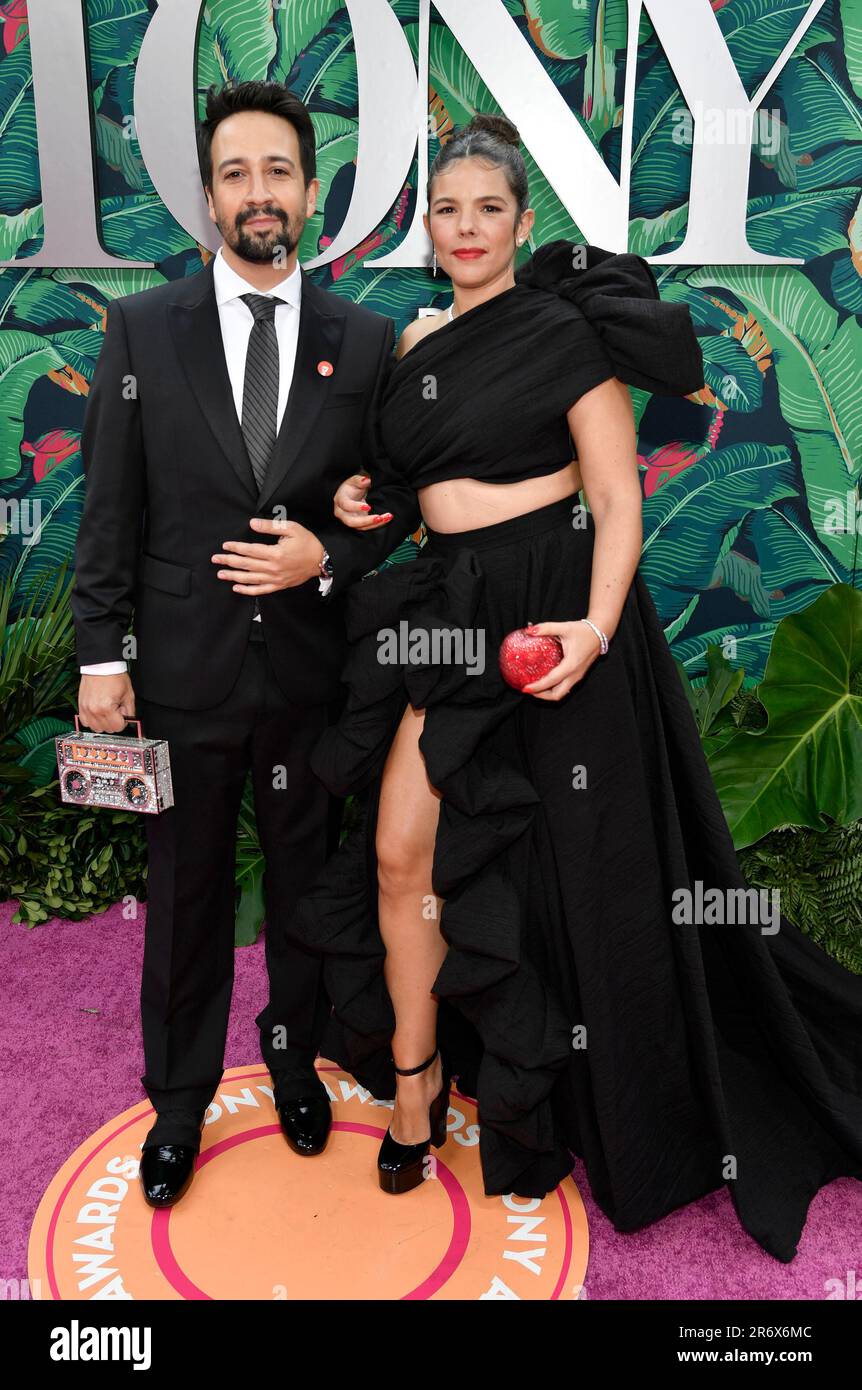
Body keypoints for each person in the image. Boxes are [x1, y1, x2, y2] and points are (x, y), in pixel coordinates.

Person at [282, 113, 862, 1263]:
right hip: (449, 613)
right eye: (445, 209)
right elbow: (404, 485)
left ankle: (601, 1100)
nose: (463, 227)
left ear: (519, 222)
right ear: (427, 223)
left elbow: (617, 493)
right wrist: (361, 498)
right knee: (402, 853)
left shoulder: (566, 329)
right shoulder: (412, 345)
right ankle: (415, 1079)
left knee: (588, 876)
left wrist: (593, 628)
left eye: (485, 209)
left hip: (553, 606)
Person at [70, 80, 421, 1207]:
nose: (257, 192)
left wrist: (321, 556)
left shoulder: (365, 342)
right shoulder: (142, 329)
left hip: (310, 678)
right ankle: (177, 1102)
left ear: (312, 193)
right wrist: (101, 660)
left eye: (278, 171)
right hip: (182, 673)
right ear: (207, 197)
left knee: (313, 889)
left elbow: (395, 509)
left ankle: (292, 1055)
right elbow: (109, 506)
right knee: (183, 892)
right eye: (235, 173)